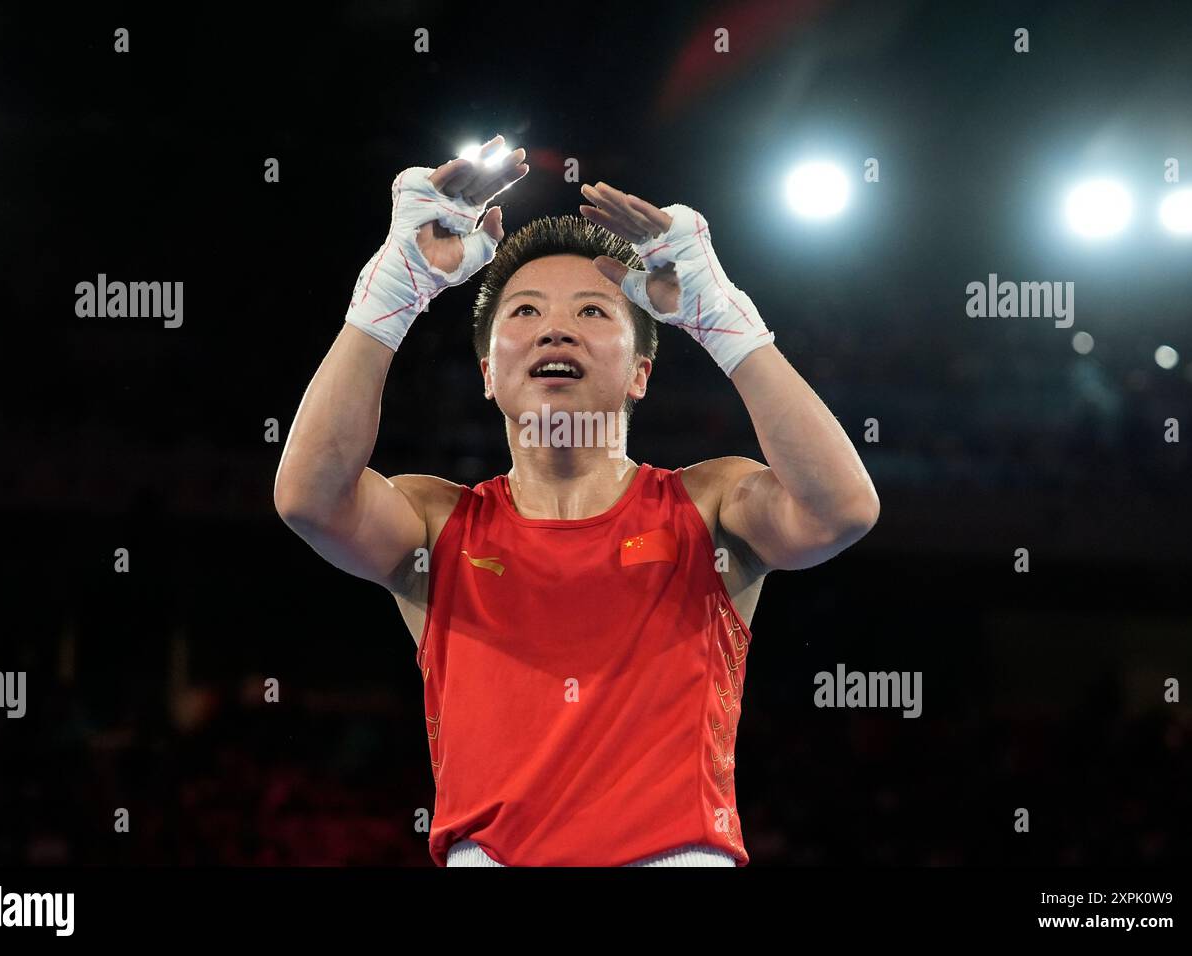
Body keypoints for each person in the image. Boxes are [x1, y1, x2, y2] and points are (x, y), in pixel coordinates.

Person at [273, 134, 880, 866]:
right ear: (488, 374)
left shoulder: (710, 504)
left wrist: (723, 315)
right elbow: (309, 497)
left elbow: (839, 510)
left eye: (593, 312)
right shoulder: (436, 524)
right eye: (523, 312)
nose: (555, 326)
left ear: (641, 373)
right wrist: (387, 298)